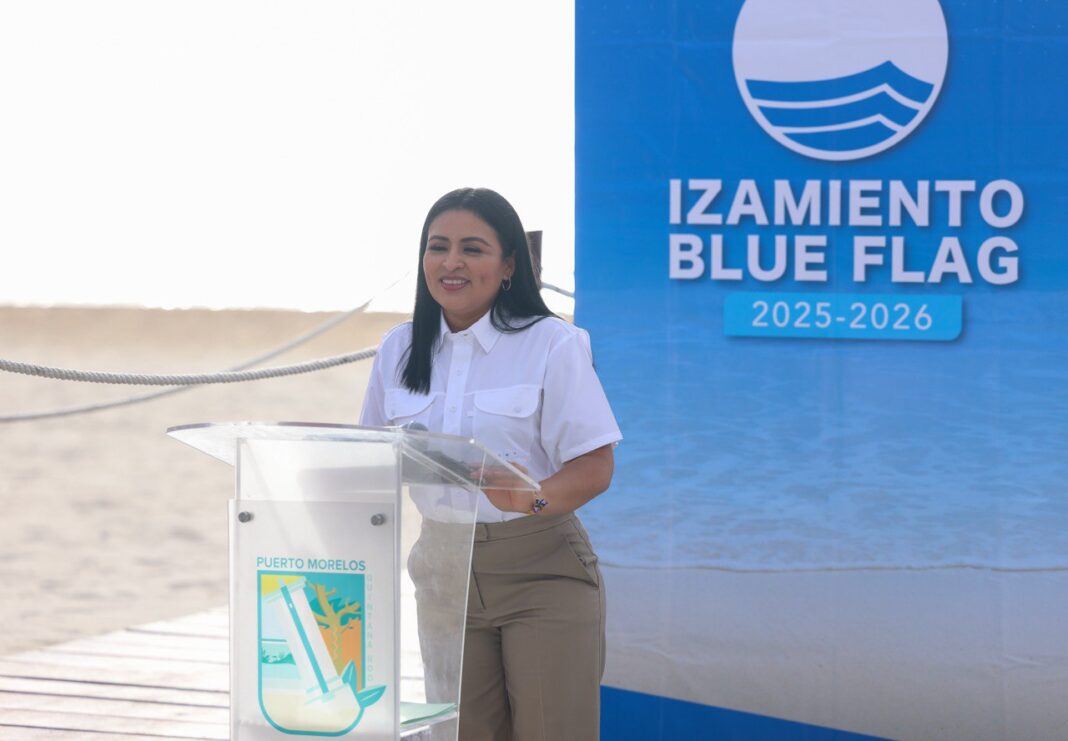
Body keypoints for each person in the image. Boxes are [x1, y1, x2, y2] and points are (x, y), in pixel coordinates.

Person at [359, 187, 622, 741]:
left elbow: (596, 464)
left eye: (472, 249)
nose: (451, 262)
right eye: (438, 247)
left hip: (541, 568)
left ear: (508, 266)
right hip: (441, 570)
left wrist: (534, 496)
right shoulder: (397, 350)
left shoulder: (553, 344)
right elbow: (370, 457)